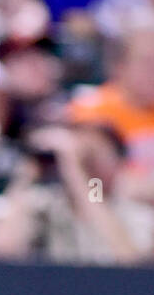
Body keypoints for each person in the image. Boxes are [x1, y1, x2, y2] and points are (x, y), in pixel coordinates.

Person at [0, 121, 154, 263]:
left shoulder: (136, 213)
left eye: (93, 155)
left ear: (118, 162)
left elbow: (128, 260)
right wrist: (26, 177)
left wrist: (75, 171)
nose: (85, 163)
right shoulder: (46, 205)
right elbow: (3, 249)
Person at [65, 27, 154, 201]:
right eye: (147, 63)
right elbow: (92, 186)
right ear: (119, 67)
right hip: (113, 207)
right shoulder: (91, 111)